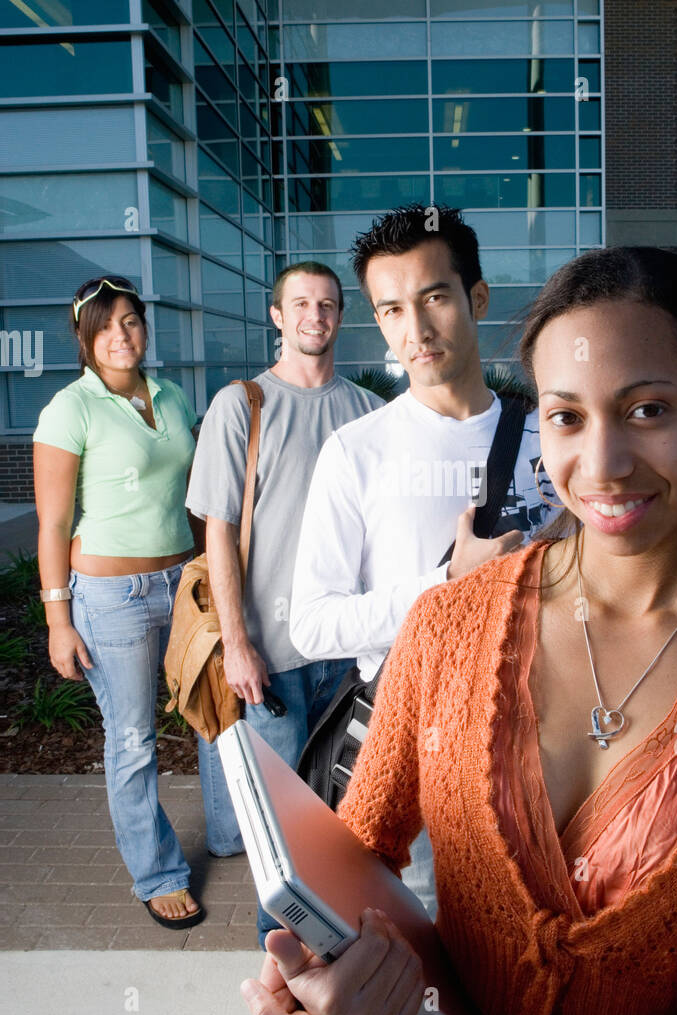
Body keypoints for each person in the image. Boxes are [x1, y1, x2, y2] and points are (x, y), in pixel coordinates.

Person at [240, 246, 677, 1015]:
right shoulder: (448, 626)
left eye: (648, 409)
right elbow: (354, 860)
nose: (603, 465)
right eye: (568, 418)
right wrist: (338, 977)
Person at [288, 203, 562, 920]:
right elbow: (312, 627)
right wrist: (445, 584)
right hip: (423, 745)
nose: (415, 330)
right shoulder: (358, 452)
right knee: (431, 945)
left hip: (545, 740)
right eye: (390, 310)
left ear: (475, 298)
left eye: (434, 298)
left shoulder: (551, 441)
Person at [186, 261, 384, 949]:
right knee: (281, 828)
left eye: (328, 304)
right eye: (300, 303)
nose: (315, 315)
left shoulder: (366, 410)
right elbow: (219, 529)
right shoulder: (241, 406)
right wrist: (236, 644)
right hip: (271, 656)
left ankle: (340, 943)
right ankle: (286, 961)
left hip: (348, 654)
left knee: (343, 814)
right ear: (277, 315)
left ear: (340, 316)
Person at [32, 276, 203, 929]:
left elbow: (191, 494)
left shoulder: (173, 395)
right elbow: (51, 524)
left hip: (183, 582)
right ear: (85, 336)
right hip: (114, 597)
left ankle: (231, 837)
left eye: (131, 321)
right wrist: (57, 618)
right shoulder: (70, 408)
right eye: (106, 326)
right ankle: (157, 873)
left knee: (214, 716)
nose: (122, 335)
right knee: (132, 739)